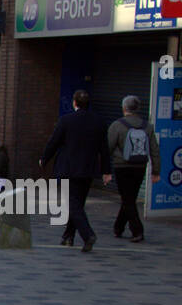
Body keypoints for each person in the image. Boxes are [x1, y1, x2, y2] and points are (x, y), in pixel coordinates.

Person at [40, 88, 111, 252]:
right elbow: (104, 149)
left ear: (74, 103)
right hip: (88, 169)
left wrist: (44, 159)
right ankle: (68, 236)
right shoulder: (99, 122)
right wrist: (106, 171)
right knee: (78, 203)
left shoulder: (66, 120)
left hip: (69, 169)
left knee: (73, 205)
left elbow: (54, 142)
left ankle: (88, 235)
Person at [106, 94, 161, 243]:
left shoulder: (117, 125)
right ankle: (118, 227)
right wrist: (156, 171)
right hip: (140, 166)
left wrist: (105, 170)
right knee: (129, 198)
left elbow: (108, 148)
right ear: (138, 109)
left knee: (127, 199)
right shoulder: (147, 126)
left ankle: (137, 231)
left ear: (124, 108)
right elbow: (154, 150)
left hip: (121, 166)